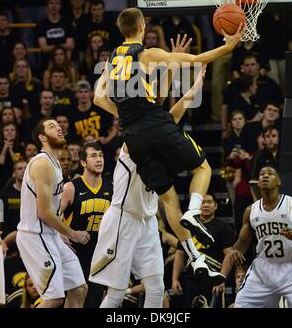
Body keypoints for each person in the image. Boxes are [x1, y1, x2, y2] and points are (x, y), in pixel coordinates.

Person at [95, 16, 241, 282]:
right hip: (152, 126)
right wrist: (227, 48)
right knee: (203, 167)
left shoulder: (112, 60)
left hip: (134, 133)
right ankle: (195, 210)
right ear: (142, 27)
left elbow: (99, 97)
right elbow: (197, 61)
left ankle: (195, 257)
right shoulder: (148, 53)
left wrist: (129, 115)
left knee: (168, 199)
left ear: (119, 28)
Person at [90, 66, 210, 308]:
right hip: (122, 221)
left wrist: (193, 87)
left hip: (147, 222)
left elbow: (168, 115)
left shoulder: (154, 132)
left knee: (156, 289)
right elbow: (158, 105)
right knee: (115, 294)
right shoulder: (131, 143)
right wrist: (105, 76)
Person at [16, 118, 90, 308]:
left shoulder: (55, 163)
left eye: (59, 126)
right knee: (54, 298)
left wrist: (58, 232)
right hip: (35, 235)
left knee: (79, 288)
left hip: (50, 235)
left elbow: (52, 210)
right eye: (52, 127)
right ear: (42, 137)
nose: (59, 128)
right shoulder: (43, 164)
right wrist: (71, 233)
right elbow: (44, 212)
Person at [218, 166, 292, 308]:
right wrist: (235, 251)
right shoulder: (251, 211)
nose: (265, 176)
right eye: (262, 174)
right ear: (258, 182)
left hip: (291, 267)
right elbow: (242, 242)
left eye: (270, 174)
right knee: (241, 305)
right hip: (263, 269)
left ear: (279, 181)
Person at [61, 142, 113, 307]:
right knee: (76, 299)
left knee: (94, 301)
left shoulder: (110, 187)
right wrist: (63, 233)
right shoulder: (71, 187)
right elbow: (51, 215)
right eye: (93, 156)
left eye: (101, 156)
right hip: (74, 255)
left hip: (98, 256)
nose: (99, 160)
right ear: (83, 162)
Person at [171, 194, 234, 308]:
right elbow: (180, 254)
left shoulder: (223, 227)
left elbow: (229, 254)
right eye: (202, 202)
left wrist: (221, 278)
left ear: (216, 206)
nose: (205, 205)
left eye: (209, 202)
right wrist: (175, 279)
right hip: (191, 280)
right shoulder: (187, 226)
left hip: (213, 279)